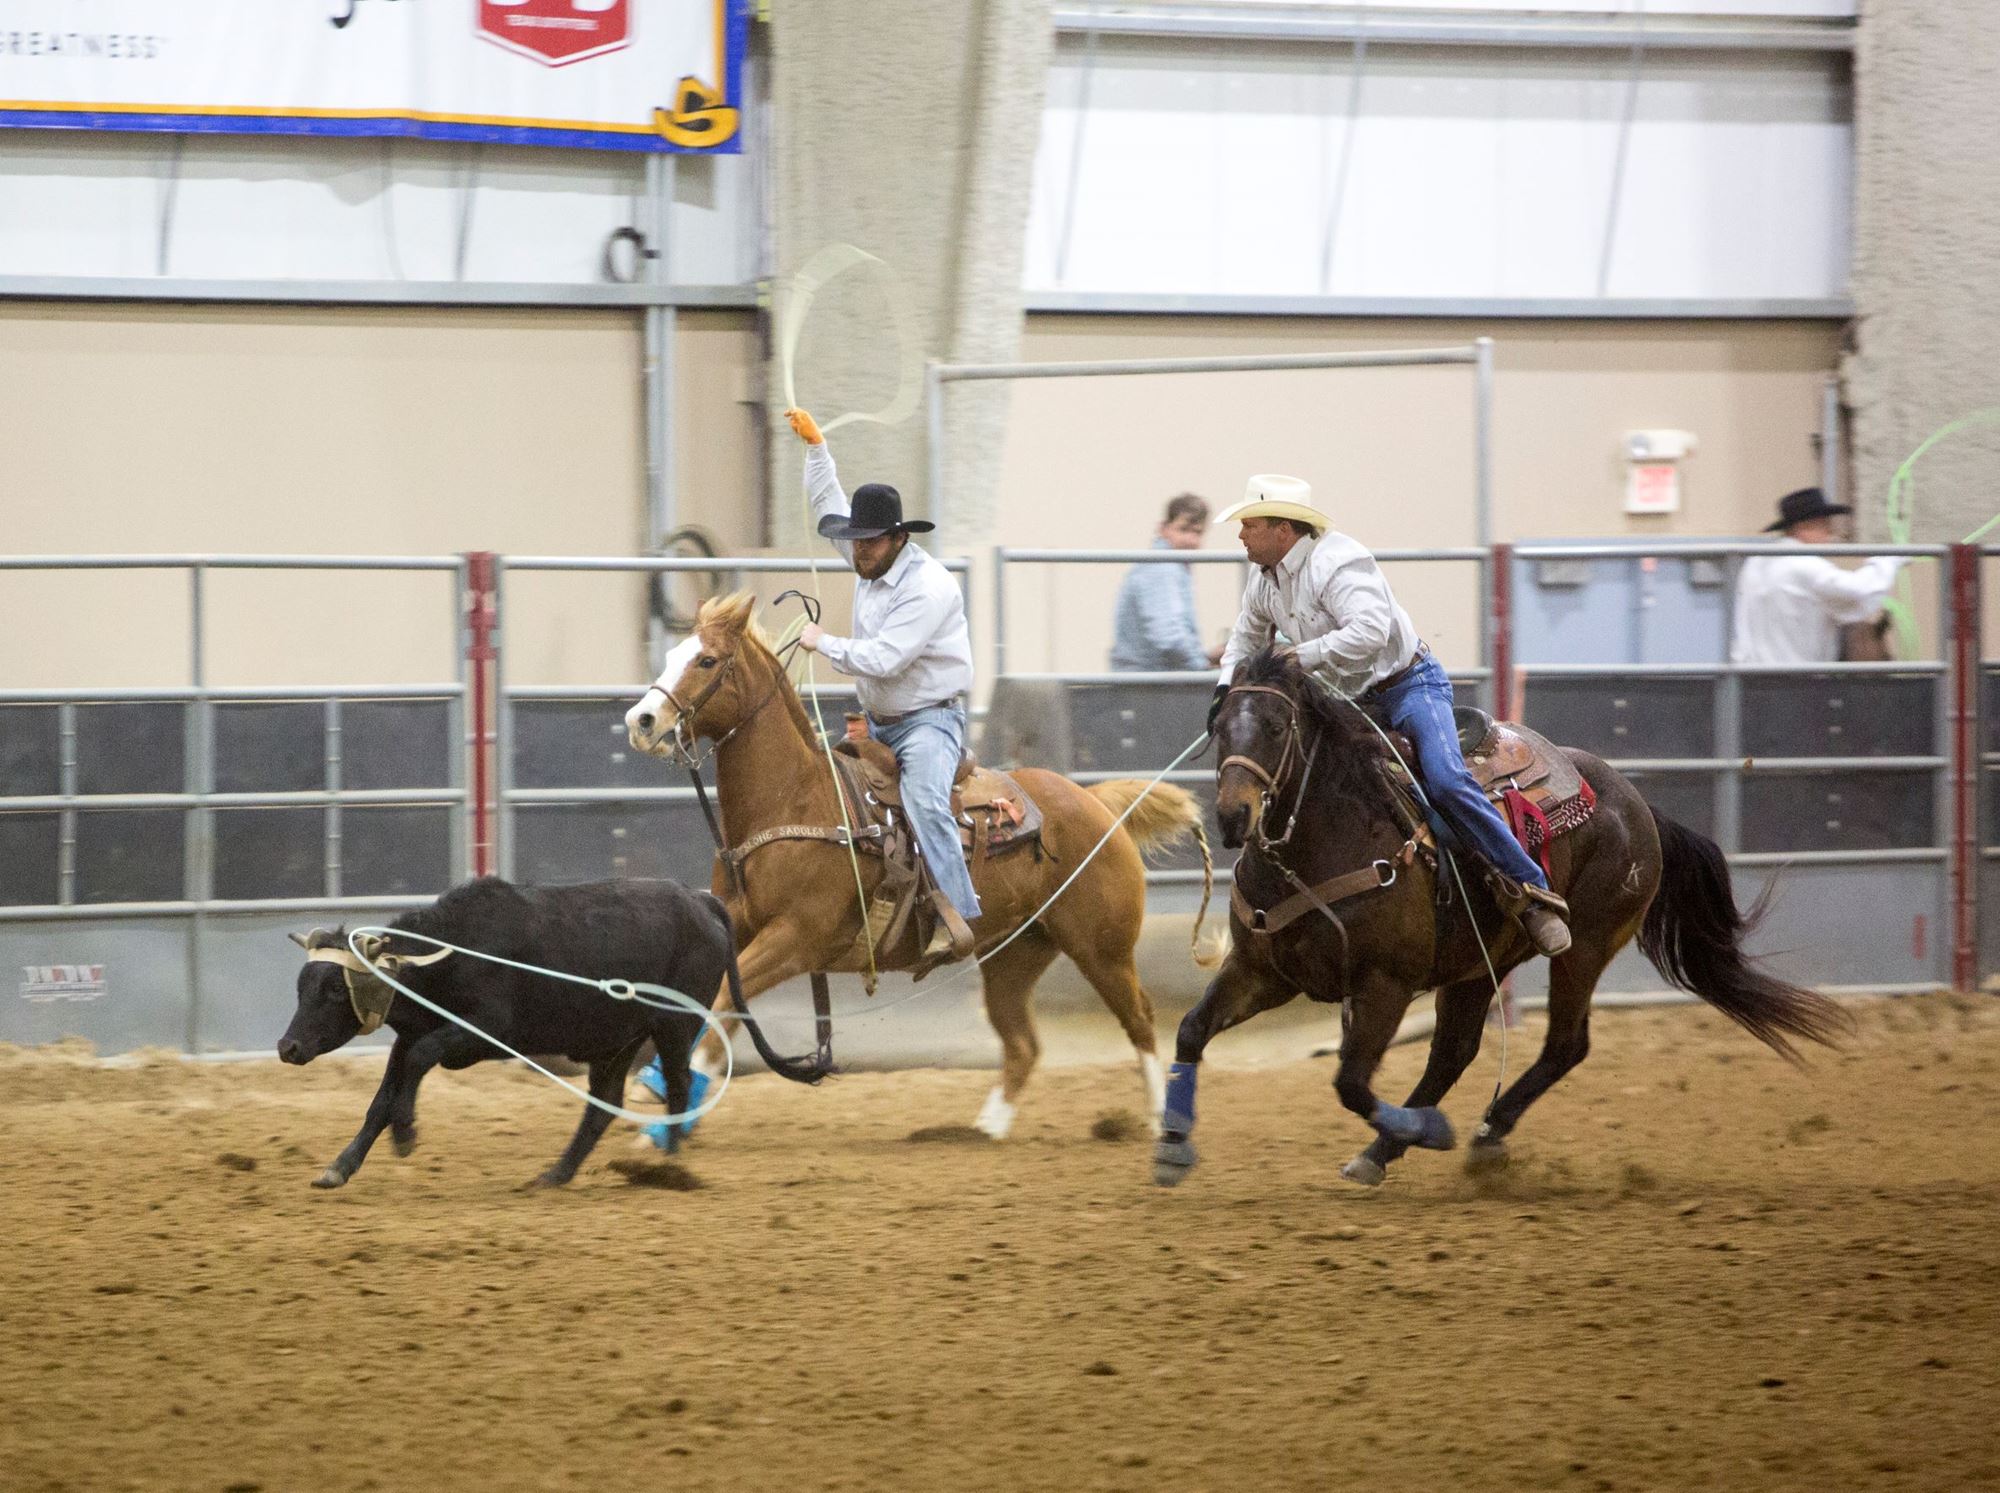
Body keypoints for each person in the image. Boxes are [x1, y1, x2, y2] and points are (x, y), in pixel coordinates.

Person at [1209, 474, 1571, 958]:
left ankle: (1531, 893)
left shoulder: (1338, 562)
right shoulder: (1265, 580)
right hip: (1345, 698)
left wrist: (1302, 657)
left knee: (1444, 780)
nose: (1240, 535)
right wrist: (1224, 687)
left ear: (1282, 529)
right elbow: (1244, 639)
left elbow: (1372, 631)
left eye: (1248, 524)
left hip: (1407, 687)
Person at [784, 406, 981, 960]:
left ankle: (957, 915)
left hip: (928, 722)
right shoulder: (874, 559)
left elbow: (887, 658)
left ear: (896, 538)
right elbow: (828, 504)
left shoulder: (928, 587)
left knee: (923, 800)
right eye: (856, 540)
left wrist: (823, 643)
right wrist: (816, 450)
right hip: (876, 721)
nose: (857, 550)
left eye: (868, 541)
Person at [1731, 487, 1906, 666]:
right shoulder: (1803, 564)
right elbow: (1857, 591)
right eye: (1825, 527)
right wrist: (1887, 561)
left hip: (1749, 679)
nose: (1829, 536)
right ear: (1805, 527)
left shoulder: (1756, 561)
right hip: (1796, 680)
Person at [1110, 494, 1222, 671]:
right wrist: (1201, 665)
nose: (1191, 540)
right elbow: (1168, 638)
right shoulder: (1163, 568)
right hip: (1151, 687)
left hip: (1147, 681)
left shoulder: (1163, 566)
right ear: (1163, 529)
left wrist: (1203, 657)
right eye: (1184, 529)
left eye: (1198, 532)